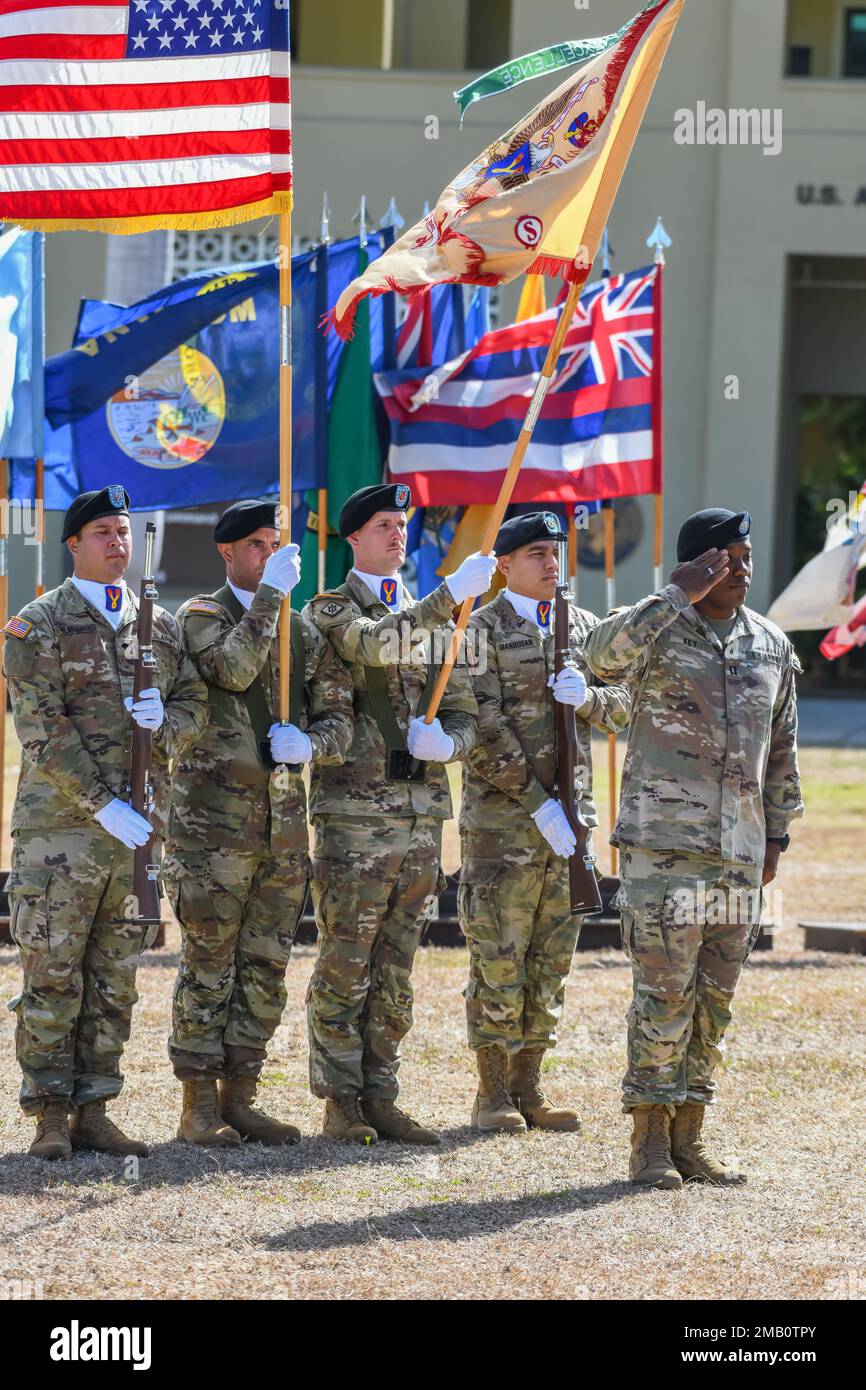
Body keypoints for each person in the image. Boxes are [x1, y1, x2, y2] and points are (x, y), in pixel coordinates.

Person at [585, 508, 804, 1189]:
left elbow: (783, 749)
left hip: (738, 854)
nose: (739, 569)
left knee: (715, 999)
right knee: (663, 994)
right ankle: (649, 1141)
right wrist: (674, 594)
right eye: (723, 558)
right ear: (693, 565)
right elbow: (598, 659)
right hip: (664, 850)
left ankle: (691, 1138)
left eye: (744, 557)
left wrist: (776, 833)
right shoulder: (656, 627)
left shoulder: (770, 645)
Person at [3, 486, 208, 1159]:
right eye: (103, 533)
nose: (117, 543)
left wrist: (167, 724)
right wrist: (100, 801)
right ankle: (49, 1115)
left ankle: (95, 1105)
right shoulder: (38, 625)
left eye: (123, 532)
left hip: (137, 833)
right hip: (62, 831)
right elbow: (41, 728)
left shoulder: (161, 625)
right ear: (74, 545)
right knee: (54, 971)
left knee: (114, 973)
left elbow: (193, 706)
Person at [304, 482, 492, 1145]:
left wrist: (451, 742)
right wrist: (450, 596)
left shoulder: (437, 618)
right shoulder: (331, 608)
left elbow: (467, 710)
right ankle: (340, 1102)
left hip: (418, 816)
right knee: (346, 961)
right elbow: (375, 646)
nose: (397, 533)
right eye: (383, 524)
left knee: (396, 966)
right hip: (355, 818)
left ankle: (382, 1092)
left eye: (402, 524)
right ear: (353, 537)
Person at [164, 499, 353, 1147]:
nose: (270, 556)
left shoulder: (302, 631)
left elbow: (339, 717)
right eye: (256, 546)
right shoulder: (201, 615)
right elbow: (232, 669)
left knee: (265, 966)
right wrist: (270, 597)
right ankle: (197, 1103)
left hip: (283, 829)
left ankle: (242, 1093)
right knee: (209, 964)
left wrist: (311, 742)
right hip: (211, 829)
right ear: (227, 553)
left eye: (276, 545)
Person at [459, 512, 630, 1132]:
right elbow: (481, 726)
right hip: (504, 827)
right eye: (536, 553)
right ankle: (493, 1094)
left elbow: (623, 708)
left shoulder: (582, 628)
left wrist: (589, 697)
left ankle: (530, 1086)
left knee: (552, 958)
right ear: (504, 563)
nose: (552, 562)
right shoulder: (479, 629)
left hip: (571, 828)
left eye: (556, 551)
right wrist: (538, 802)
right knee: (500, 957)